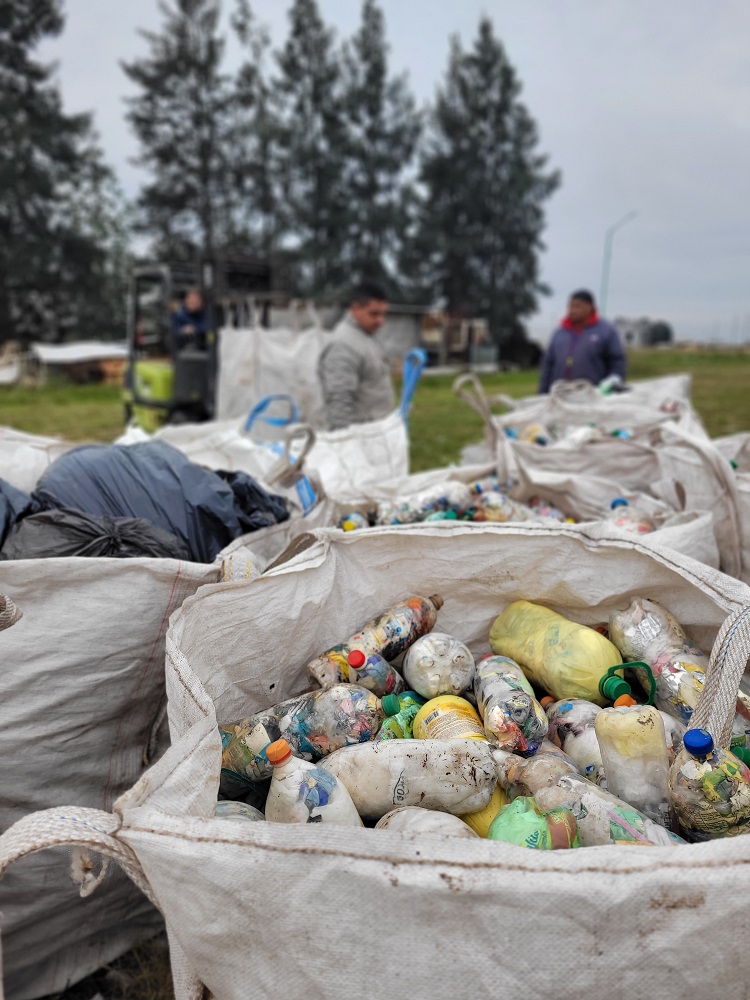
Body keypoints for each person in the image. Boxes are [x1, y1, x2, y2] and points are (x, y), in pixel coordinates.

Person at [318, 282, 396, 430]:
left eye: (383, 314)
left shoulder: (366, 337)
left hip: (378, 432)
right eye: (374, 314)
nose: (381, 321)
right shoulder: (343, 345)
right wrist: (345, 444)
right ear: (355, 308)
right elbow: (339, 400)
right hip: (362, 438)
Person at [539, 289, 626, 393]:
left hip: (593, 396)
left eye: (577, 306)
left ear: (589, 307)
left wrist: (611, 386)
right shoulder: (560, 333)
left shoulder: (606, 331)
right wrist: (542, 391)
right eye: (570, 306)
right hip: (560, 395)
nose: (573, 310)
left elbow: (617, 362)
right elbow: (548, 364)